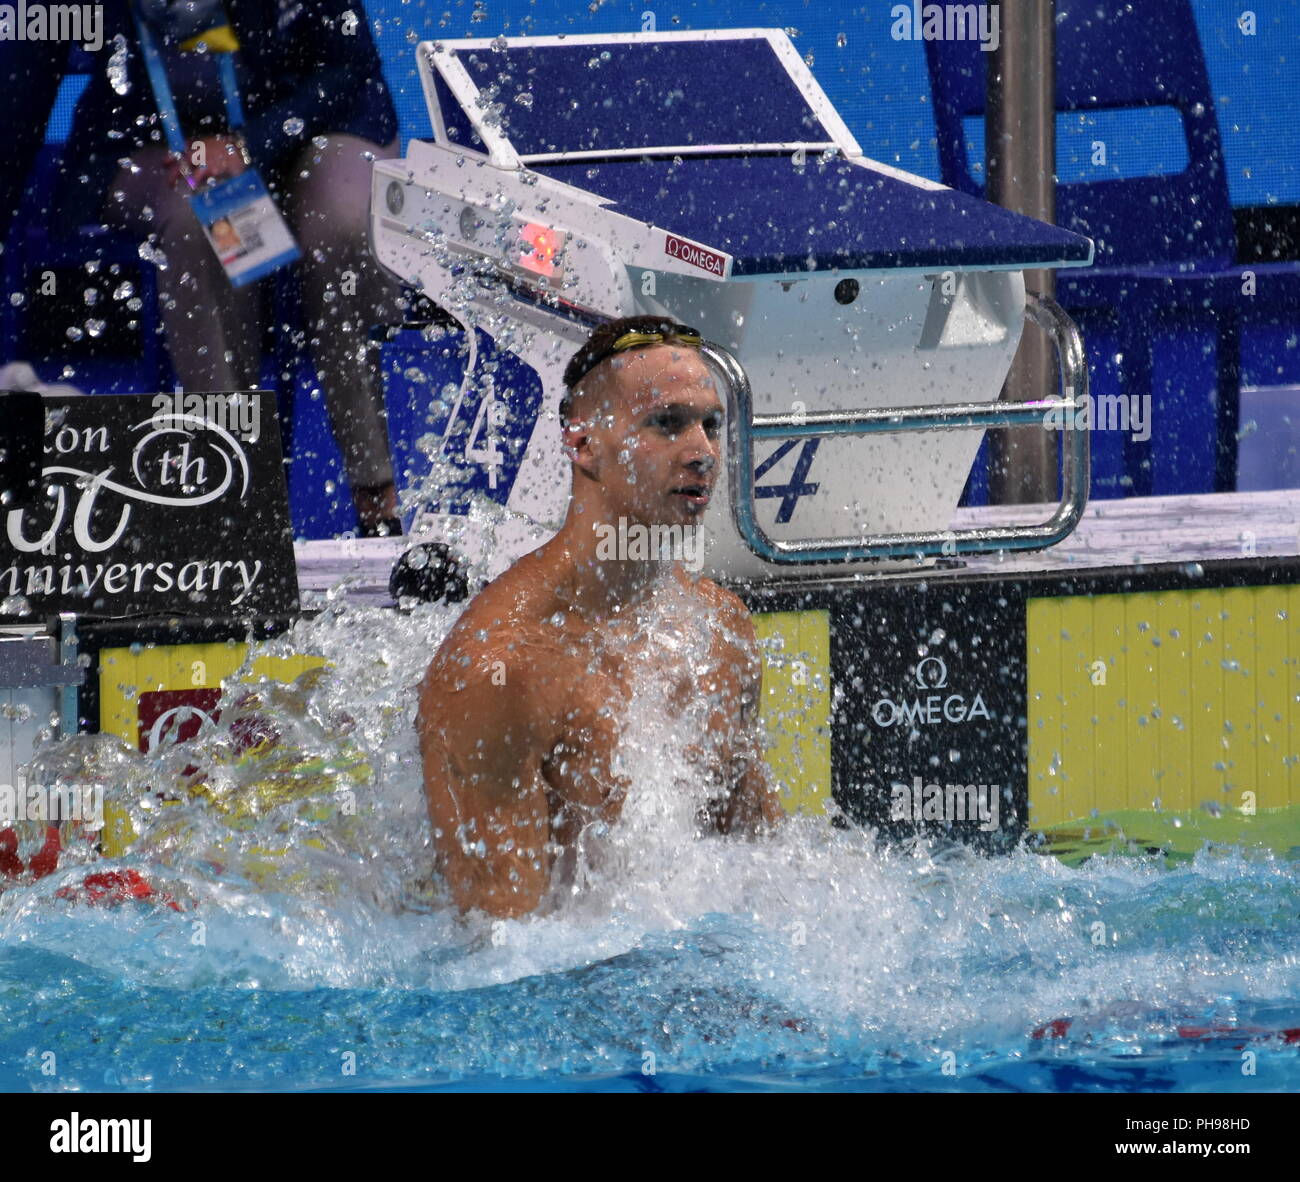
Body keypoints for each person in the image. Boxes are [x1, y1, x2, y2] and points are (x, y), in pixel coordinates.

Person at [416, 317, 783, 919]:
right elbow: (499, 961)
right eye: (667, 423)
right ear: (582, 443)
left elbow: (759, 874)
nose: (703, 454)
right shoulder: (500, 669)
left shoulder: (721, 629)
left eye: (711, 425)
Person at [0, 0, 404, 536]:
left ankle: (376, 494)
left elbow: (346, 68)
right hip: (160, 146)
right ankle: (233, 497)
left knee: (338, 226)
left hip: (317, 125)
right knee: (201, 218)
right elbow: (24, 68)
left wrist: (248, 145)